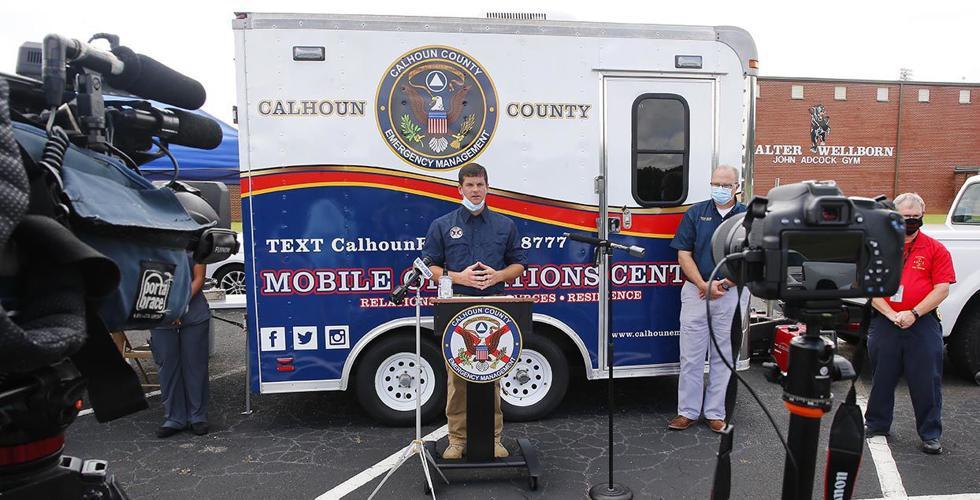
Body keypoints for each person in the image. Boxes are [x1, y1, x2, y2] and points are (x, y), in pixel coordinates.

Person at [422, 162, 527, 460]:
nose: (476, 190)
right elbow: (428, 265)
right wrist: (458, 277)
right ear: (460, 188)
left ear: (487, 186)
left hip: (494, 308)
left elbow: (519, 263)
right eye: (470, 185)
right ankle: (457, 440)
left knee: (492, 375)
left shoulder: (505, 225)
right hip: (457, 308)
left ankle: (493, 438)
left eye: (480, 184)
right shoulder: (442, 225)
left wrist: (498, 276)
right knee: (457, 378)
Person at [865, 192, 955, 454]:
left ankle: (930, 433)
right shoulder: (879, 248)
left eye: (916, 218)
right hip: (886, 321)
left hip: (921, 322)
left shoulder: (935, 249)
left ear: (922, 217)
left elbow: (941, 289)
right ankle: (877, 424)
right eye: (906, 217)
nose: (911, 222)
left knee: (926, 380)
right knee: (882, 377)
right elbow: (870, 288)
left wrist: (913, 313)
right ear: (894, 217)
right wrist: (891, 314)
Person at [667, 165, 750, 433]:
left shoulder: (747, 217)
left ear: (736, 186)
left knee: (722, 355)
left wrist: (724, 284)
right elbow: (683, 254)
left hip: (730, 293)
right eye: (716, 183)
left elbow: (753, 258)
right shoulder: (695, 213)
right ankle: (687, 412)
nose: (720, 189)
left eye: (726, 185)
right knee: (690, 356)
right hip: (696, 292)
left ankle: (715, 413)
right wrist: (703, 284)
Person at [150, 260, 212, 438]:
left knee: (195, 366)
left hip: (193, 314)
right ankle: (174, 418)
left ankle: (197, 416)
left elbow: (199, 278)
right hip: (160, 313)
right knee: (167, 367)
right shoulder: (150, 244)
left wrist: (177, 307)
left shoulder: (195, 242)